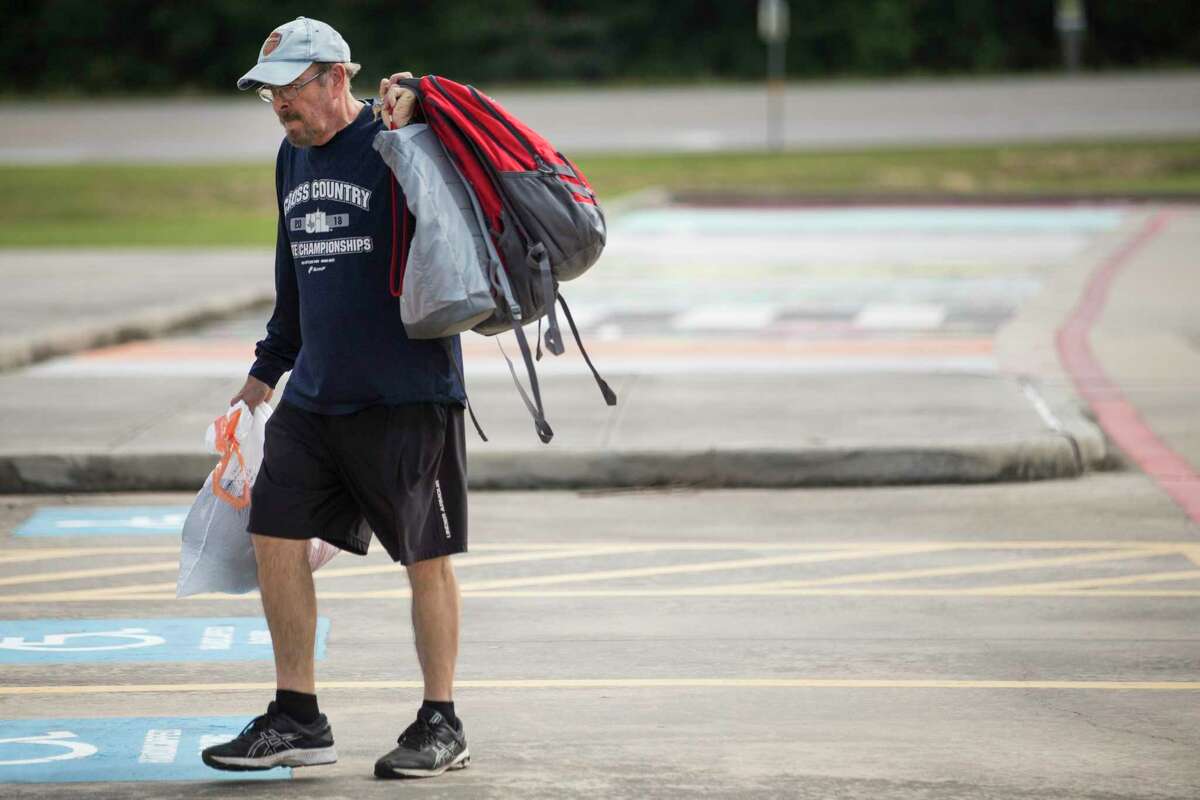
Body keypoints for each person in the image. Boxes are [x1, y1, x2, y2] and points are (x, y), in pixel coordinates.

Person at [200, 16, 470, 779]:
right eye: (270, 96)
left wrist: (422, 103)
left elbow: (460, 186)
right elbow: (292, 293)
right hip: (315, 399)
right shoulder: (291, 159)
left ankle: (441, 719)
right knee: (274, 534)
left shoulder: (398, 141)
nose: (282, 108)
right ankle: (297, 716)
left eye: (292, 91)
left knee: (426, 557)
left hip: (407, 393)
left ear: (338, 77)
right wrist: (255, 389)